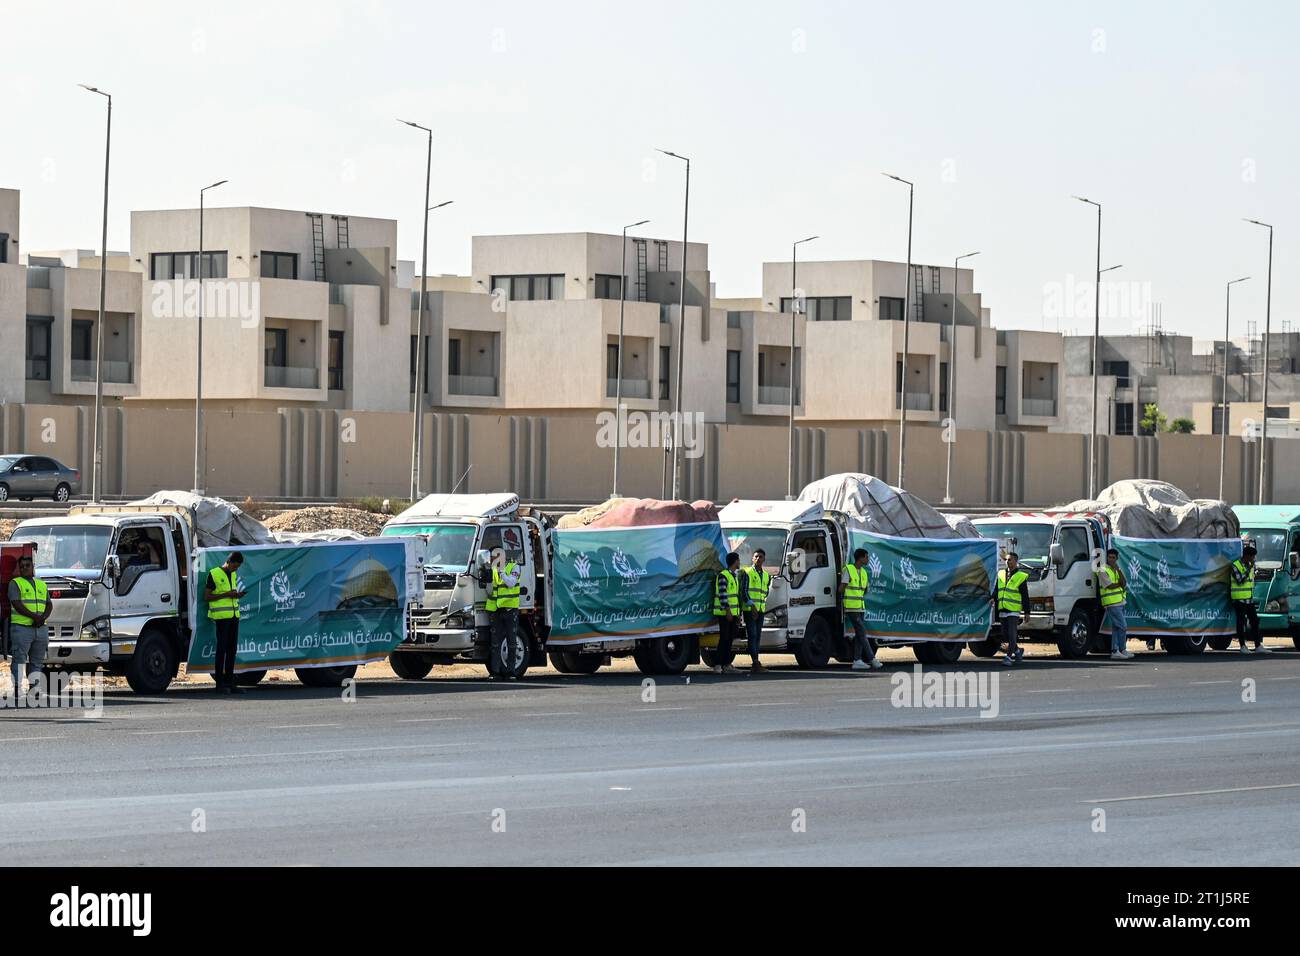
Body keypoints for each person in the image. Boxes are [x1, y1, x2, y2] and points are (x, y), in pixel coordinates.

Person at [8, 554, 51, 698]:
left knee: (37, 661)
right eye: (21, 567)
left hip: (40, 628)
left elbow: (49, 604)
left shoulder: (41, 584)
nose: (24, 568)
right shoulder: (15, 583)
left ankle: (34, 689)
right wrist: (35, 617)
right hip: (21, 628)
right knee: (19, 659)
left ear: (33, 567)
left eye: (27, 566)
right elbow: (16, 603)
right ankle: (16, 689)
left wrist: (42, 618)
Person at [204, 552, 246, 694]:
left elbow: (231, 594)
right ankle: (220, 684)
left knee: (232, 649)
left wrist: (237, 595)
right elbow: (207, 596)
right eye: (235, 565)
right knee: (221, 649)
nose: (236, 569)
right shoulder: (214, 573)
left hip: (234, 615)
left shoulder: (233, 575)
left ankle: (230, 683)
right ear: (229, 561)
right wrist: (227, 594)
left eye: (238, 567)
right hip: (221, 617)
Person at [841, 548, 881, 672]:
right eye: (866, 557)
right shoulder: (848, 569)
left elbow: (864, 590)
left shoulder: (864, 572)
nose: (868, 559)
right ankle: (872, 659)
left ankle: (857, 660)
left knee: (859, 634)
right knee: (862, 632)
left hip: (860, 607)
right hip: (851, 607)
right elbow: (841, 588)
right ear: (861, 558)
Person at [487, 555, 523, 678]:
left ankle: (511, 672)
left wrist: (501, 573)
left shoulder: (514, 567)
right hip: (495, 609)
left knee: (511, 641)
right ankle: (494, 672)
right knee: (495, 643)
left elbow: (511, 583)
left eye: (497, 555)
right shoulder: (493, 569)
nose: (495, 558)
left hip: (509, 609)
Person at [1231, 543, 1269, 654]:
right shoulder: (1235, 565)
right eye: (1252, 556)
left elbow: (1252, 579)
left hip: (1249, 598)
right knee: (1241, 622)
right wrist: (1249, 569)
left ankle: (1258, 646)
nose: (1254, 559)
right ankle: (1242, 646)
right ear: (1246, 556)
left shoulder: (1251, 565)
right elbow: (1240, 580)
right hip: (1239, 599)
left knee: (1254, 621)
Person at [994, 552, 1029, 666]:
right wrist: (992, 598)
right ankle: (1018, 651)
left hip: (1013, 610)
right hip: (1003, 609)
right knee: (1005, 634)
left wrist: (1027, 612)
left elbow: (1025, 596)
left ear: (1015, 562)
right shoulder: (1000, 574)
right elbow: (997, 589)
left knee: (1012, 633)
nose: (1007, 562)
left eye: (1010, 560)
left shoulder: (1020, 577)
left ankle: (1008, 657)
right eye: (1006, 560)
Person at [1100, 548, 1133, 660]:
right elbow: (1109, 585)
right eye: (1110, 557)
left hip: (1120, 602)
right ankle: (1117, 650)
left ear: (1117, 558)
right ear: (1107, 558)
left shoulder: (1117, 569)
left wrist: (1118, 570)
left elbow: (1124, 583)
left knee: (1116, 628)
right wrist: (1119, 584)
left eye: (1114, 558)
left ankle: (1119, 650)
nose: (1112, 559)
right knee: (1123, 626)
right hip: (1111, 603)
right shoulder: (1103, 569)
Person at [712, 552, 742, 675]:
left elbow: (735, 596)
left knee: (729, 639)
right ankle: (718, 665)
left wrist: (738, 614)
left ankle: (726, 664)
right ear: (735, 561)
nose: (739, 562)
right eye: (738, 560)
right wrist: (728, 611)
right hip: (725, 613)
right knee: (724, 639)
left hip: (733, 613)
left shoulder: (733, 576)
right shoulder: (723, 575)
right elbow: (723, 594)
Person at [742, 549, 771, 674]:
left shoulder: (766, 575)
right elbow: (744, 591)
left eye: (761, 557)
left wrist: (760, 606)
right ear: (752, 559)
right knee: (752, 635)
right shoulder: (747, 572)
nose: (758, 558)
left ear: (764, 559)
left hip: (761, 610)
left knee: (757, 636)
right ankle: (755, 662)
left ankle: (756, 662)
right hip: (750, 610)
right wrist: (752, 606)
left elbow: (765, 592)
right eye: (756, 556)